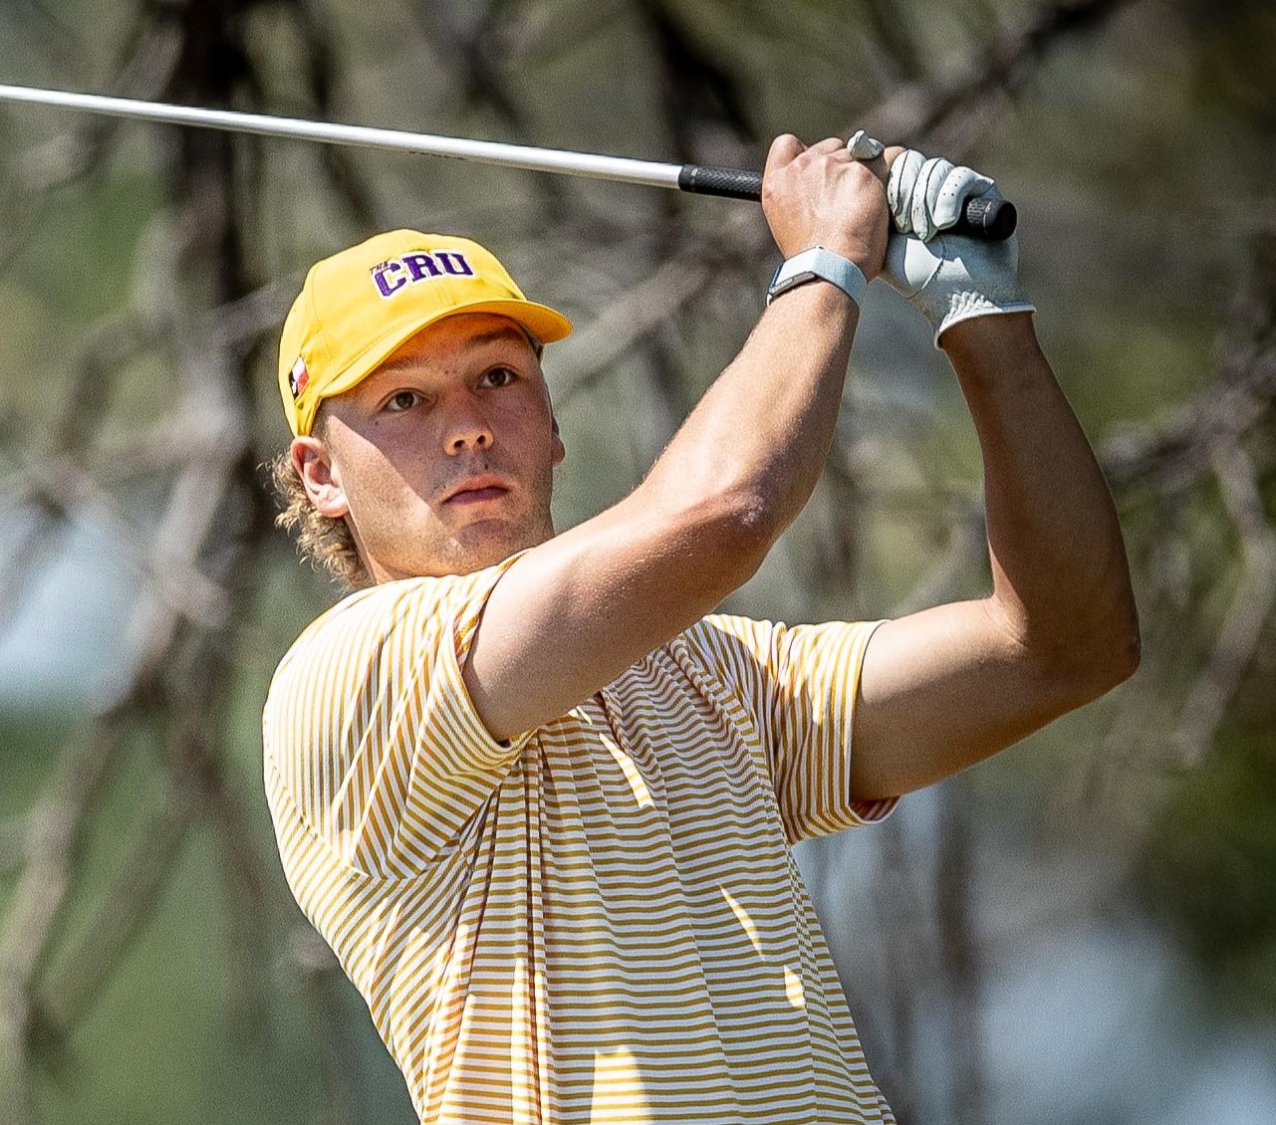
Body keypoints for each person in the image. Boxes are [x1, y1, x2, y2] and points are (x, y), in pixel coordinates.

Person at [259, 133, 1139, 1125]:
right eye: (404, 399)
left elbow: (1063, 647)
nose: (466, 424)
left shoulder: (715, 670)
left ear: (551, 421)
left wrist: (982, 315)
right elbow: (725, 512)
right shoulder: (347, 674)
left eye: (497, 377)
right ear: (321, 476)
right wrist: (824, 263)